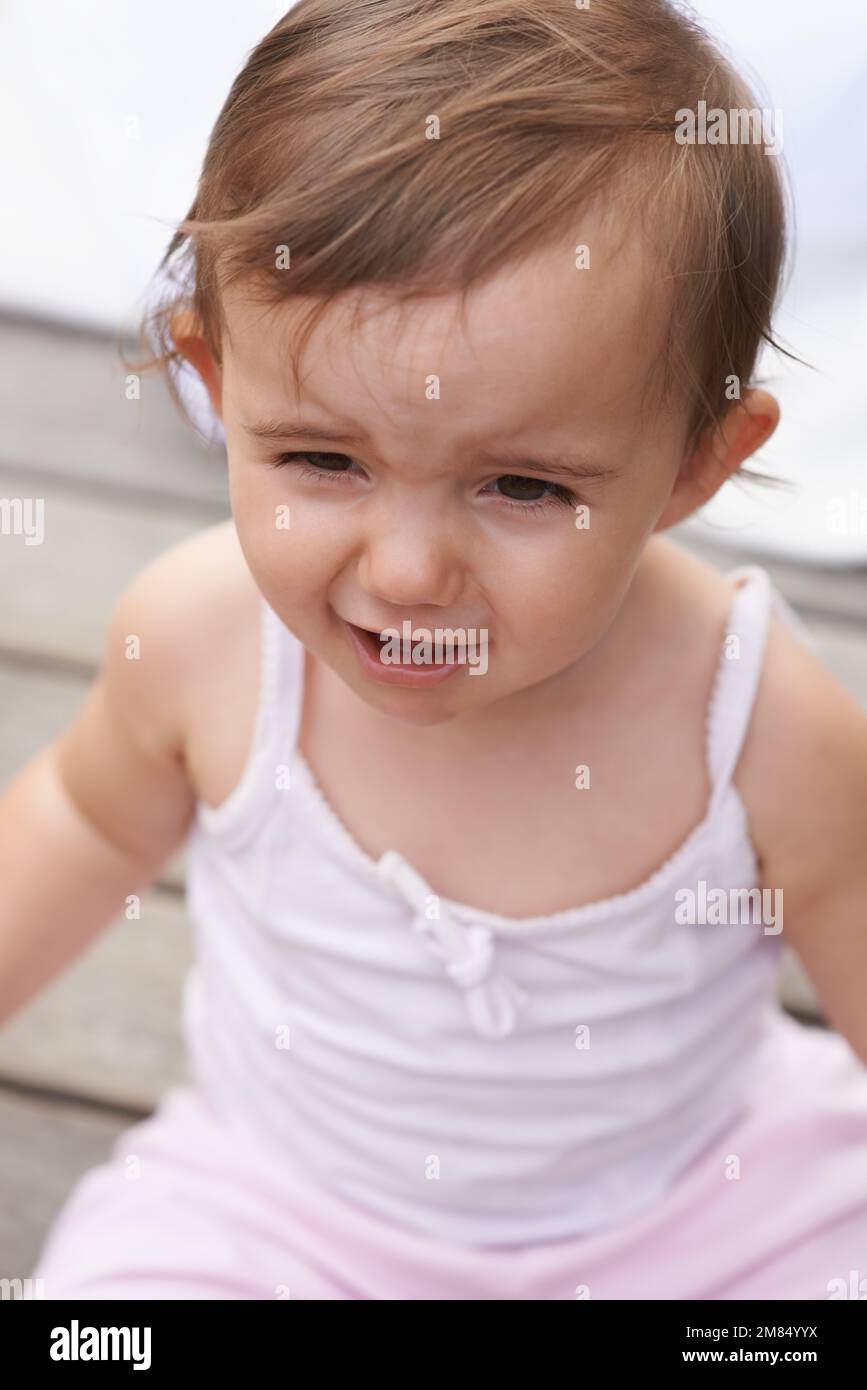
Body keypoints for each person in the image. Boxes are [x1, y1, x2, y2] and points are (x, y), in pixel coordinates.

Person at [6, 0, 867, 1300]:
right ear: (214, 380)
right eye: (321, 460)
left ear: (698, 463)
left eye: (521, 486)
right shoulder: (200, 642)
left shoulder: (755, 718)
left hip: (702, 1216)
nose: (406, 572)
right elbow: (75, 823)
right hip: (280, 1207)